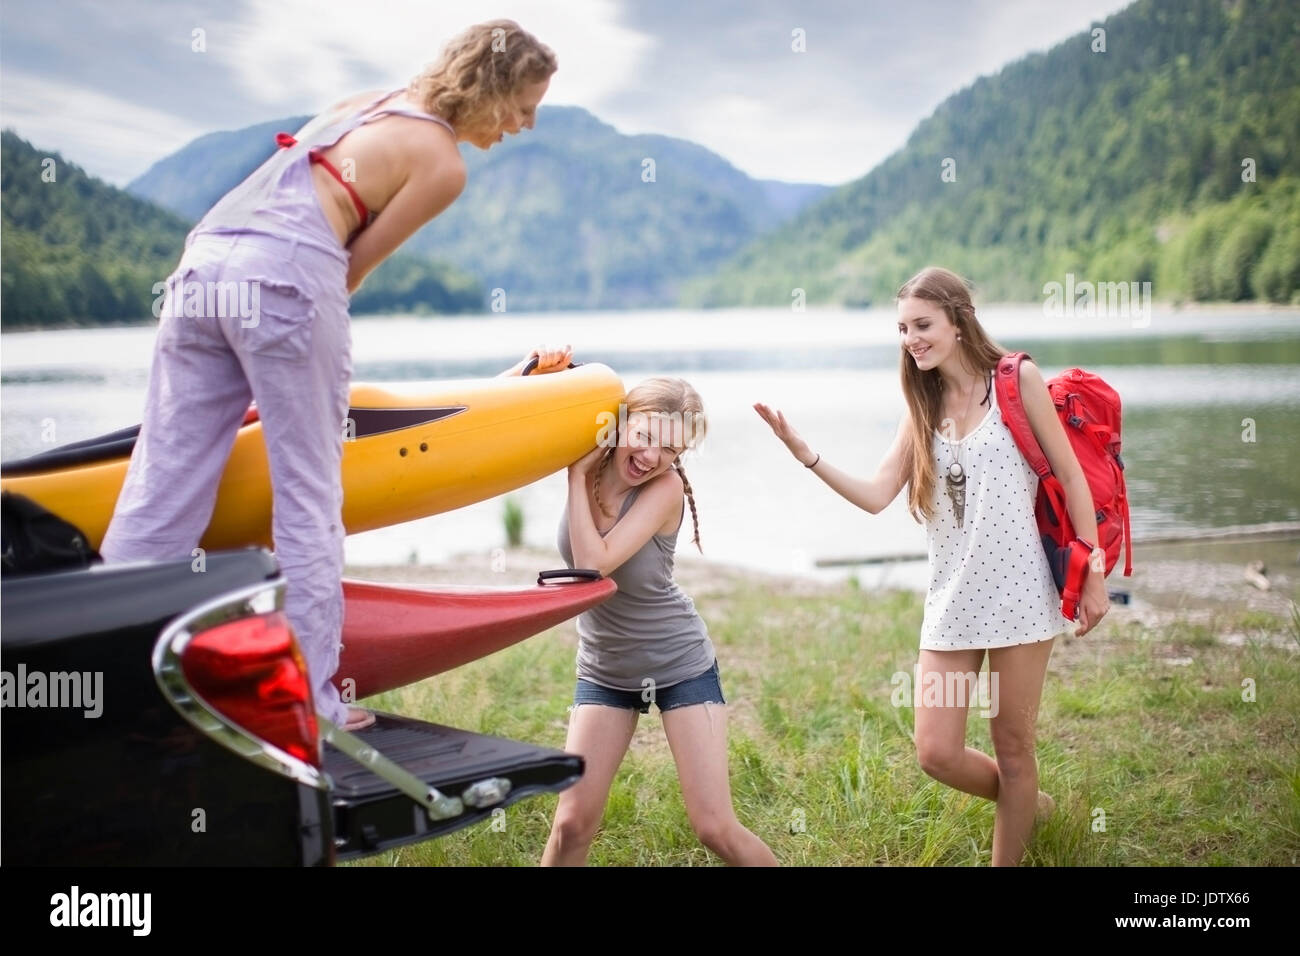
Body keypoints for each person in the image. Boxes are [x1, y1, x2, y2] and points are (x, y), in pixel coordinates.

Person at [99, 20, 556, 731]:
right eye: (524, 106)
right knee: (309, 495)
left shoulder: (363, 102)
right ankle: (310, 700)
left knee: (162, 478)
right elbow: (348, 266)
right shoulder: (442, 163)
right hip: (286, 278)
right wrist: (282, 363)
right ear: (491, 87)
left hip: (202, 269)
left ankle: (107, 668)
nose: (525, 125)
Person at [755, 266, 1110, 866]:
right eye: (902, 328)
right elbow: (875, 495)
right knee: (936, 752)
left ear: (958, 319)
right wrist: (805, 453)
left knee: (1014, 747)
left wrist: (1093, 572)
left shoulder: (1017, 379)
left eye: (922, 325)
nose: (910, 339)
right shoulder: (921, 404)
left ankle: (1015, 830)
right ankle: (1031, 806)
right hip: (953, 600)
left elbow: (1071, 476)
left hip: (1022, 596)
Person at [541, 372, 778, 866]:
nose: (651, 457)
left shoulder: (662, 488)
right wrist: (540, 366)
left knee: (714, 828)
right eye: (645, 437)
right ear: (621, 423)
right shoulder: (588, 453)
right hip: (605, 670)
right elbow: (530, 411)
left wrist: (574, 477)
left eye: (670, 450)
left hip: (678, 664)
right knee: (570, 826)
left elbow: (592, 564)